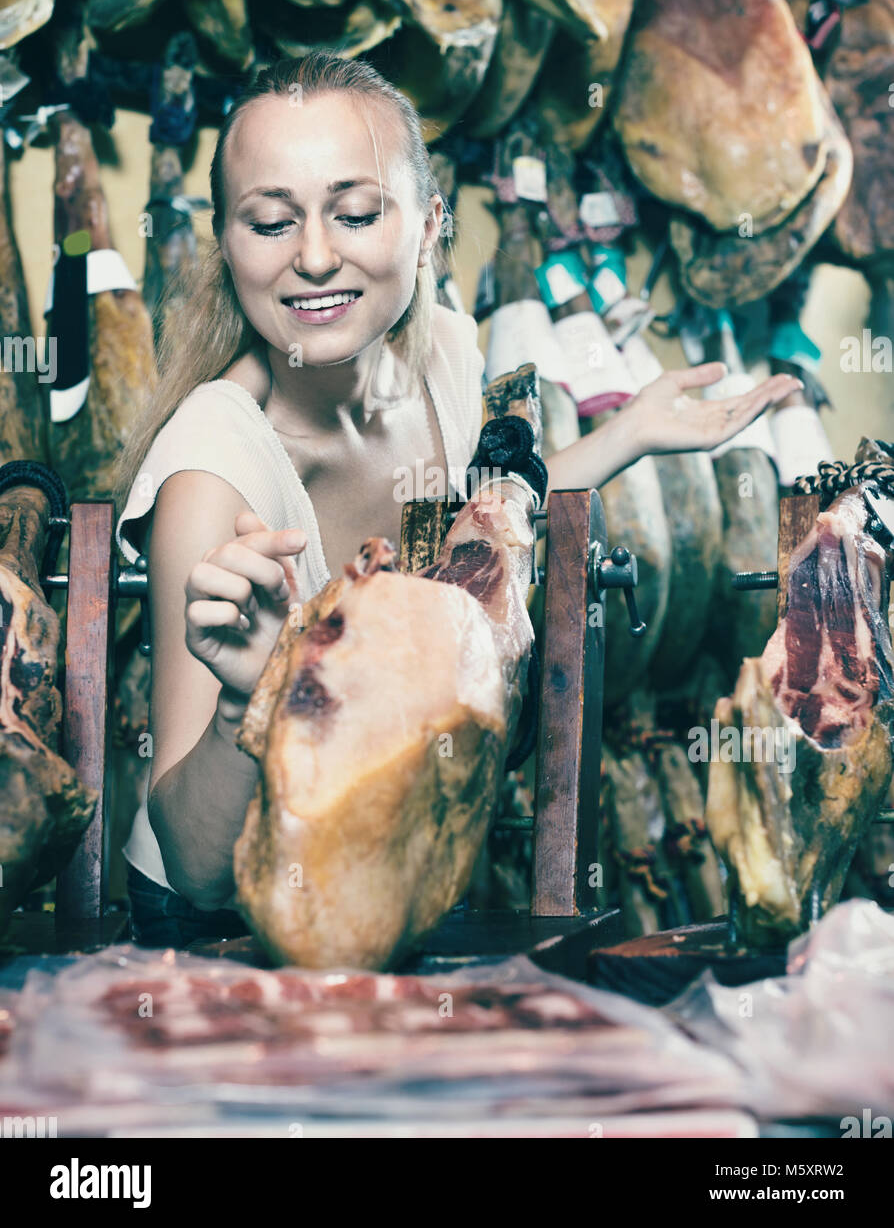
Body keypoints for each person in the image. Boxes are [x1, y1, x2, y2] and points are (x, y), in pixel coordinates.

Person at [115, 50, 802, 948]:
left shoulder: (440, 349)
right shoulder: (211, 475)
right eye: (271, 223)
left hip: (379, 854)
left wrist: (628, 433)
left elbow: (481, 518)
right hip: (218, 921)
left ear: (431, 224)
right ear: (228, 241)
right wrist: (250, 703)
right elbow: (197, 864)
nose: (315, 258)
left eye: (356, 214)